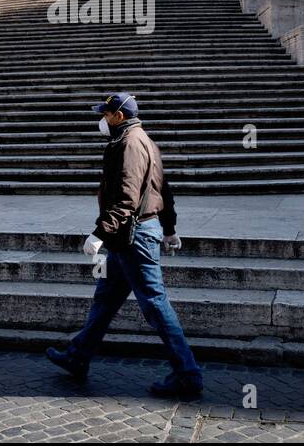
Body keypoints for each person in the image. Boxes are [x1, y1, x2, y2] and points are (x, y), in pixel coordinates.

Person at [46, 92, 203, 399]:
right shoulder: (144, 140)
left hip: (133, 236)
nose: (102, 119)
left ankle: (187, 374)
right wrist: (169, 228)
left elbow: (127, 198)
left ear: (118, 115)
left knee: (155, 303)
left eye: (105, 114)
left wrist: (98, 233)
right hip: (133, 235)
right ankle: (78, 356)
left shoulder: (130, 144)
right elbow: (163, 188)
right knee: (106, 298)